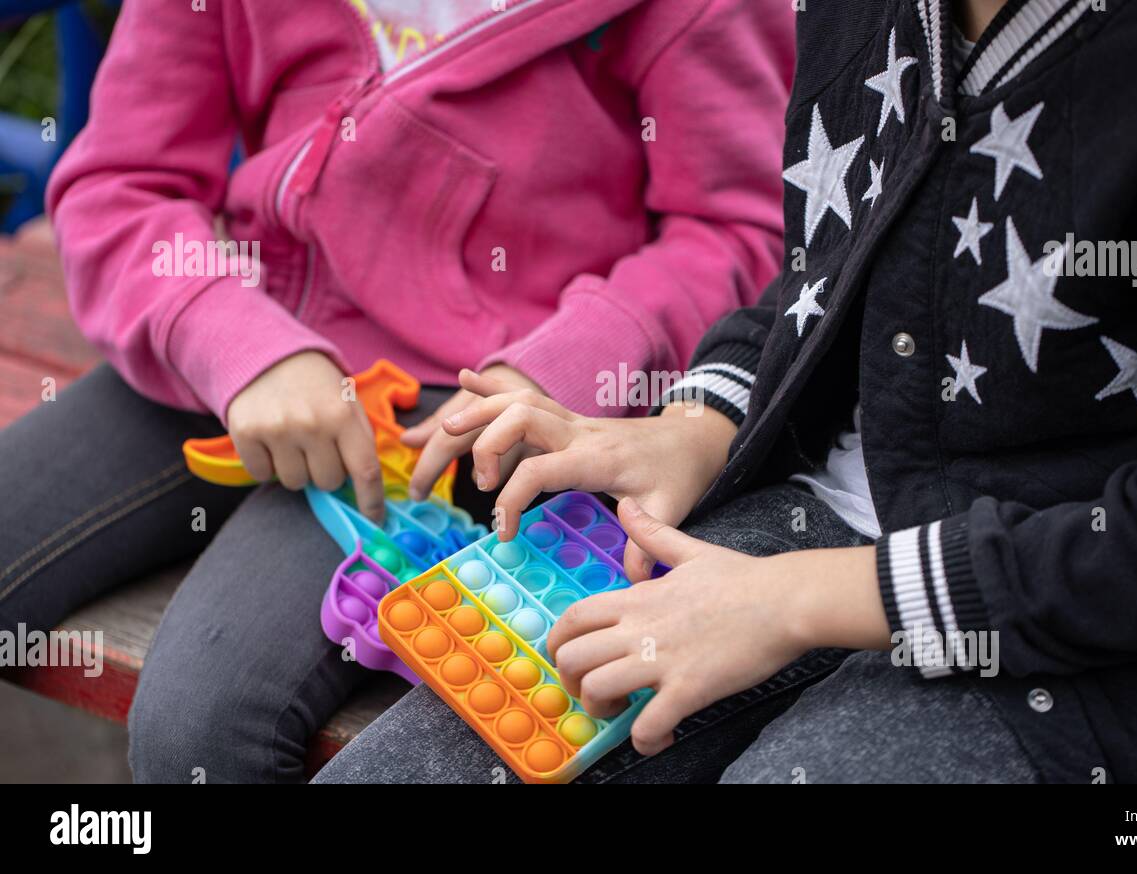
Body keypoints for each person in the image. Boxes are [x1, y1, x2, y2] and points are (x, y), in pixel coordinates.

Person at [315, 0, 1137, 783]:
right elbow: (825, 277)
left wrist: (796, 602)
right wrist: (696, 424)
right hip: (826, 522)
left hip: (1134, 623)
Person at [0, 0, 794, 782]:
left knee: (200, 730)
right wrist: (236, 343)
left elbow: (739, 231)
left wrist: (555, 372)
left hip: (458, 408)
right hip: (225, 335)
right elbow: (121, 180)